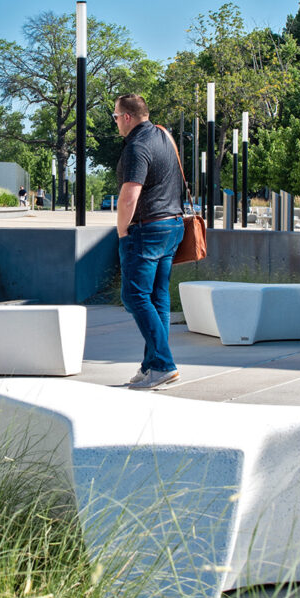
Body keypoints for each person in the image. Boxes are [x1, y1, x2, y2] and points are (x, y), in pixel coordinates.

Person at [113, 94, 185, 389]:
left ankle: (164, 365)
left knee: (134, 296)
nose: (115, 121)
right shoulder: (164, 137)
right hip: (173, 226)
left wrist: (121, 233)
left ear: (127, 117)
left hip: (148, 229)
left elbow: (129, 196)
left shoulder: (137, 146)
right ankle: (152, 364)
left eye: (116, 116)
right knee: (157, 298)